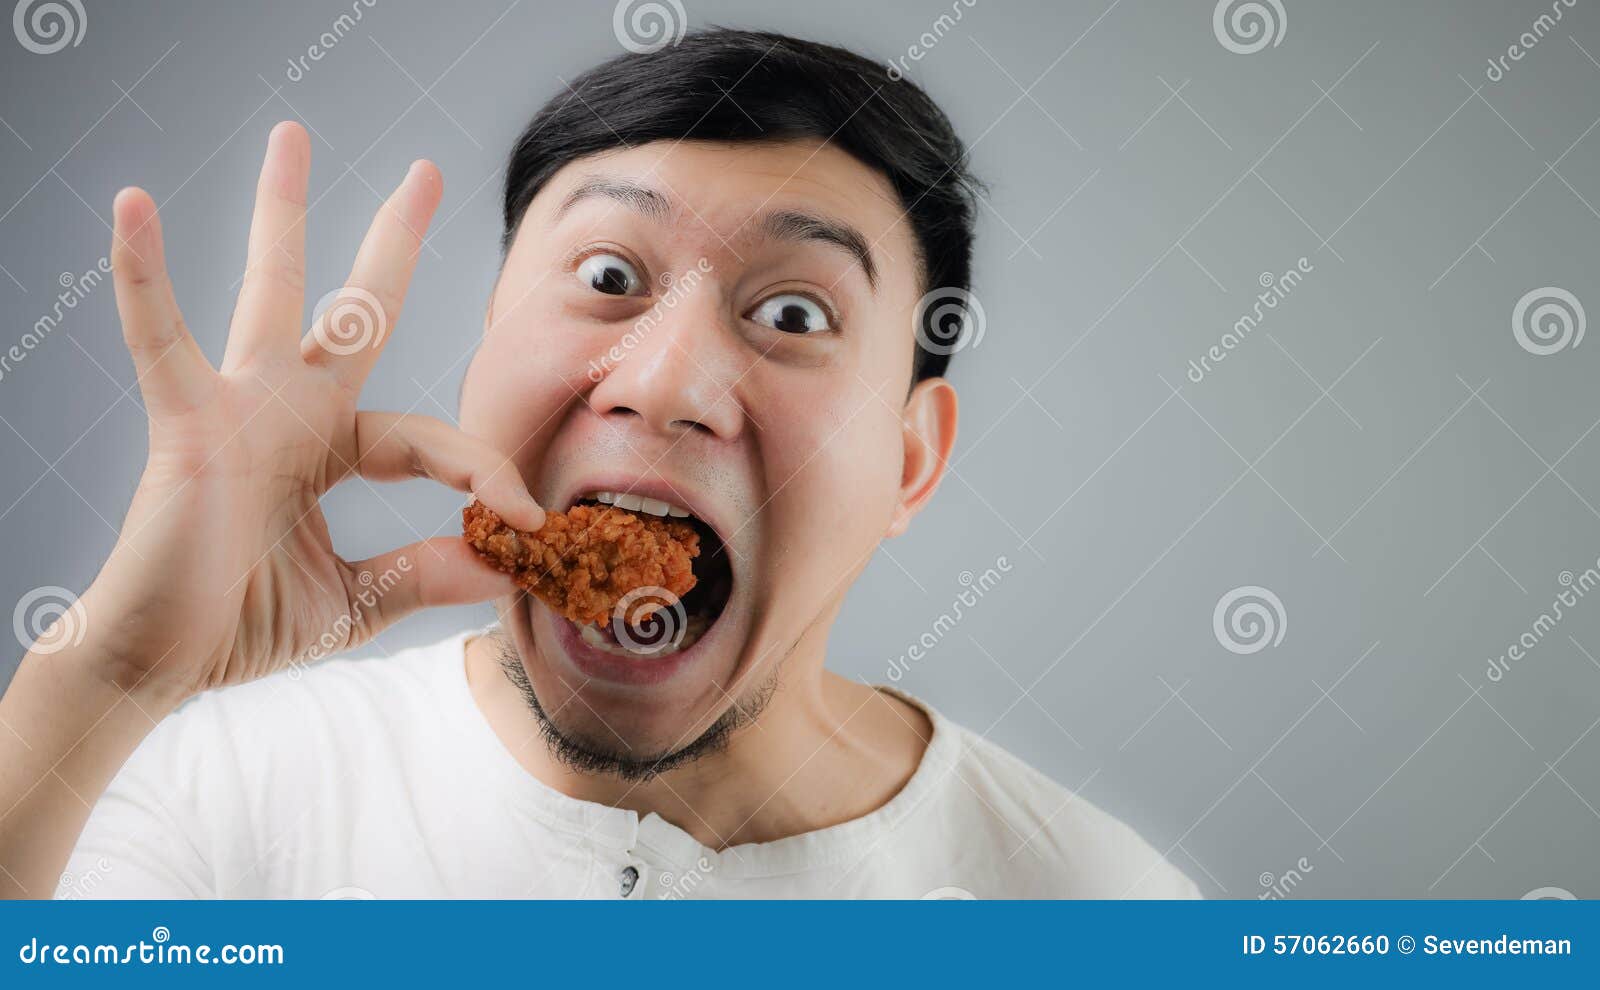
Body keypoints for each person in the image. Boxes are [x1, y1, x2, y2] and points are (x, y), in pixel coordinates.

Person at [0, 29, 1196, 899]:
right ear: (480, 357)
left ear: (907, 462)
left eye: (792, 314)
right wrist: (101, 684)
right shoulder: (211, 800)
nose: (664, 382)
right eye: (609, 279)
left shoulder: (1091, 903)